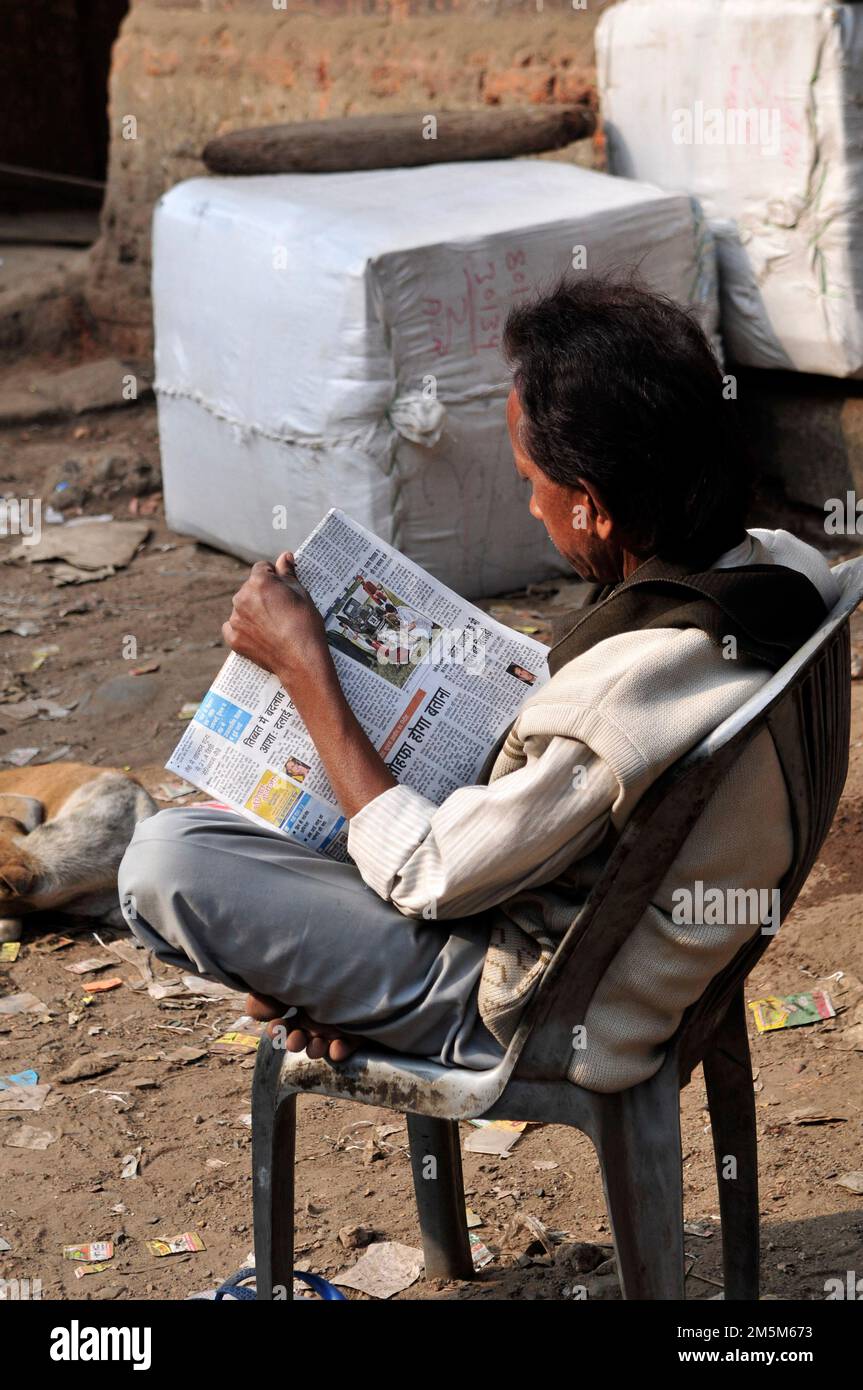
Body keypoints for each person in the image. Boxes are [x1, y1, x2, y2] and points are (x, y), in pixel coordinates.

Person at [119, 276, 838, 1093]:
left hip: (535, 1002)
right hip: (594, 932)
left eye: (532, 481)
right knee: (235, 830)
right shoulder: (783, 566)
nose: (531, 507)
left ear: (592, 507)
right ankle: (336, 985)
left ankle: (349, 995)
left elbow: (428, 873)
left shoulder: (624, 699)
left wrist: (304, 667)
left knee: (165, 860)